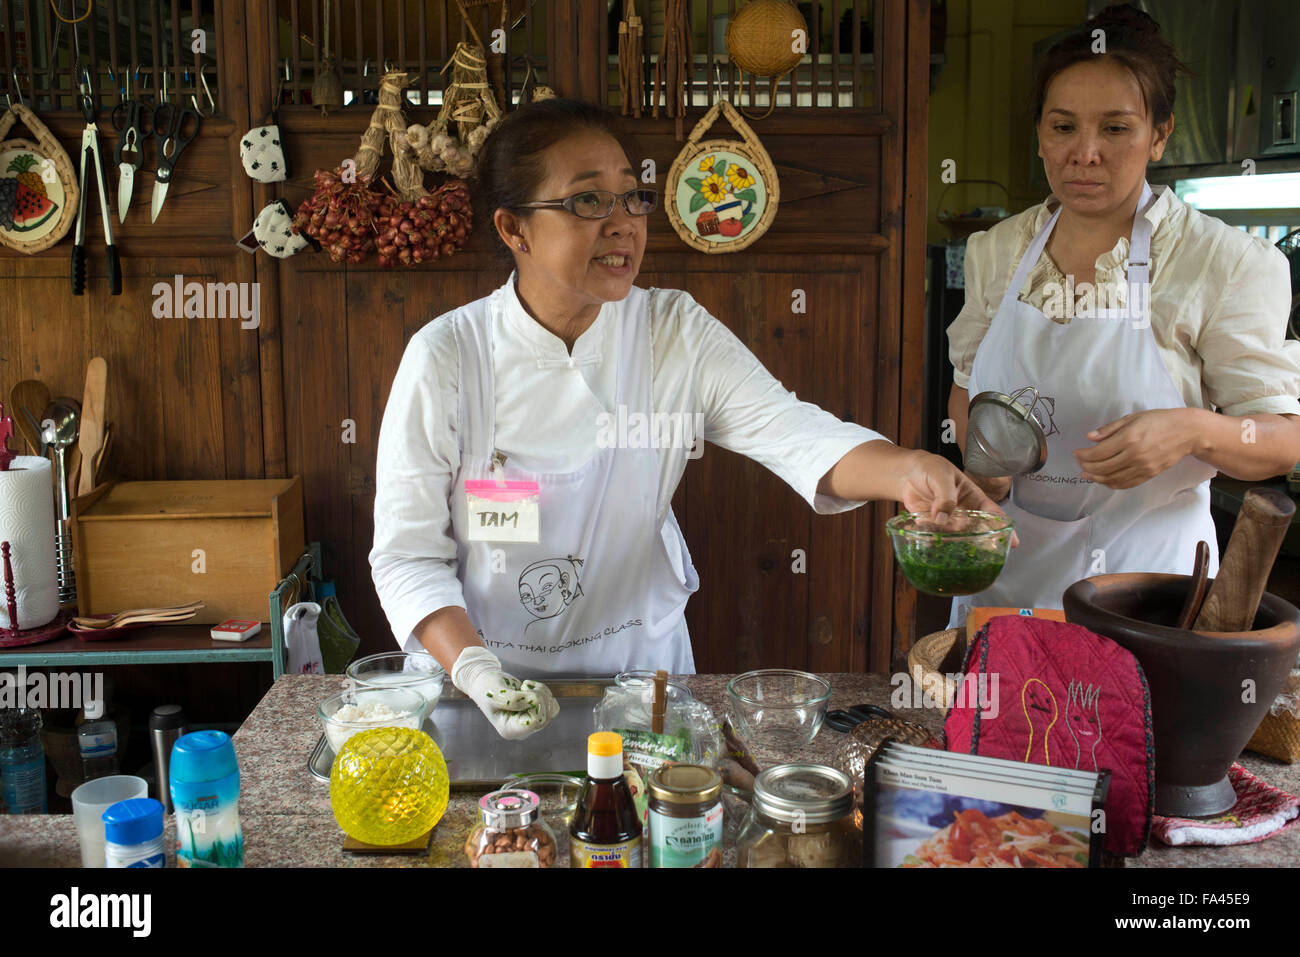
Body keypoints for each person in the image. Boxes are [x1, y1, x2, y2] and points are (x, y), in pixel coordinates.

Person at [370, 98, 1005, 740]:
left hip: (639, 683)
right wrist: (478, 672)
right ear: (515, 229)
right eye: (588, 202)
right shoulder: (449, 356)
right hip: (483, 692)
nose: (623, 225)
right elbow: (407, 556)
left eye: (631, 198)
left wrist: (910, 470)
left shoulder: (671, 331)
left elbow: (795, 433)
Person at [946, 3, 1300, 626]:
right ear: (1040, 133)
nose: (1084, 154)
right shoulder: (997, 250)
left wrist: (1192, 431)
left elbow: (1280, 441)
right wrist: (986, 476)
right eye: (1063, 127)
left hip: (1145, 591)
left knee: (1135, 723)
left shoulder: (1222, 261)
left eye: (1116, 128)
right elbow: (968, 390)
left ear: (1159, 135)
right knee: (998, 722)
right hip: (1005, 582)